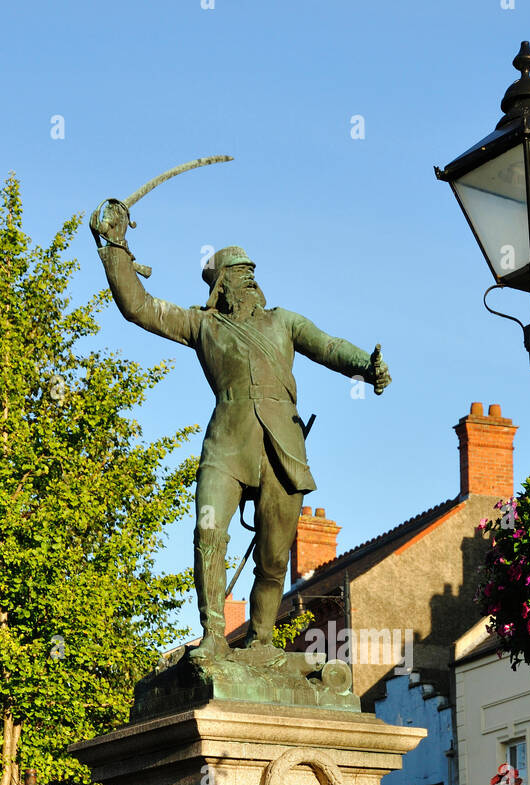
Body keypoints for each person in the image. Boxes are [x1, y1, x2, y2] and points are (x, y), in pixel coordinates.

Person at [91, 202, 391, 664]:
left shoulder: (284, 322)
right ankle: (213, 631)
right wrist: (114, 246)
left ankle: (263, 640)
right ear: (221, 286)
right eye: (238, 273)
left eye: (252, 272)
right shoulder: (203, 324)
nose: (249, 279)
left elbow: (328, 346)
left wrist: (365, 367)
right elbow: (139, 307)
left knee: (273, 560)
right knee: (206, 531)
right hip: (227, 445)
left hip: (282, 447)